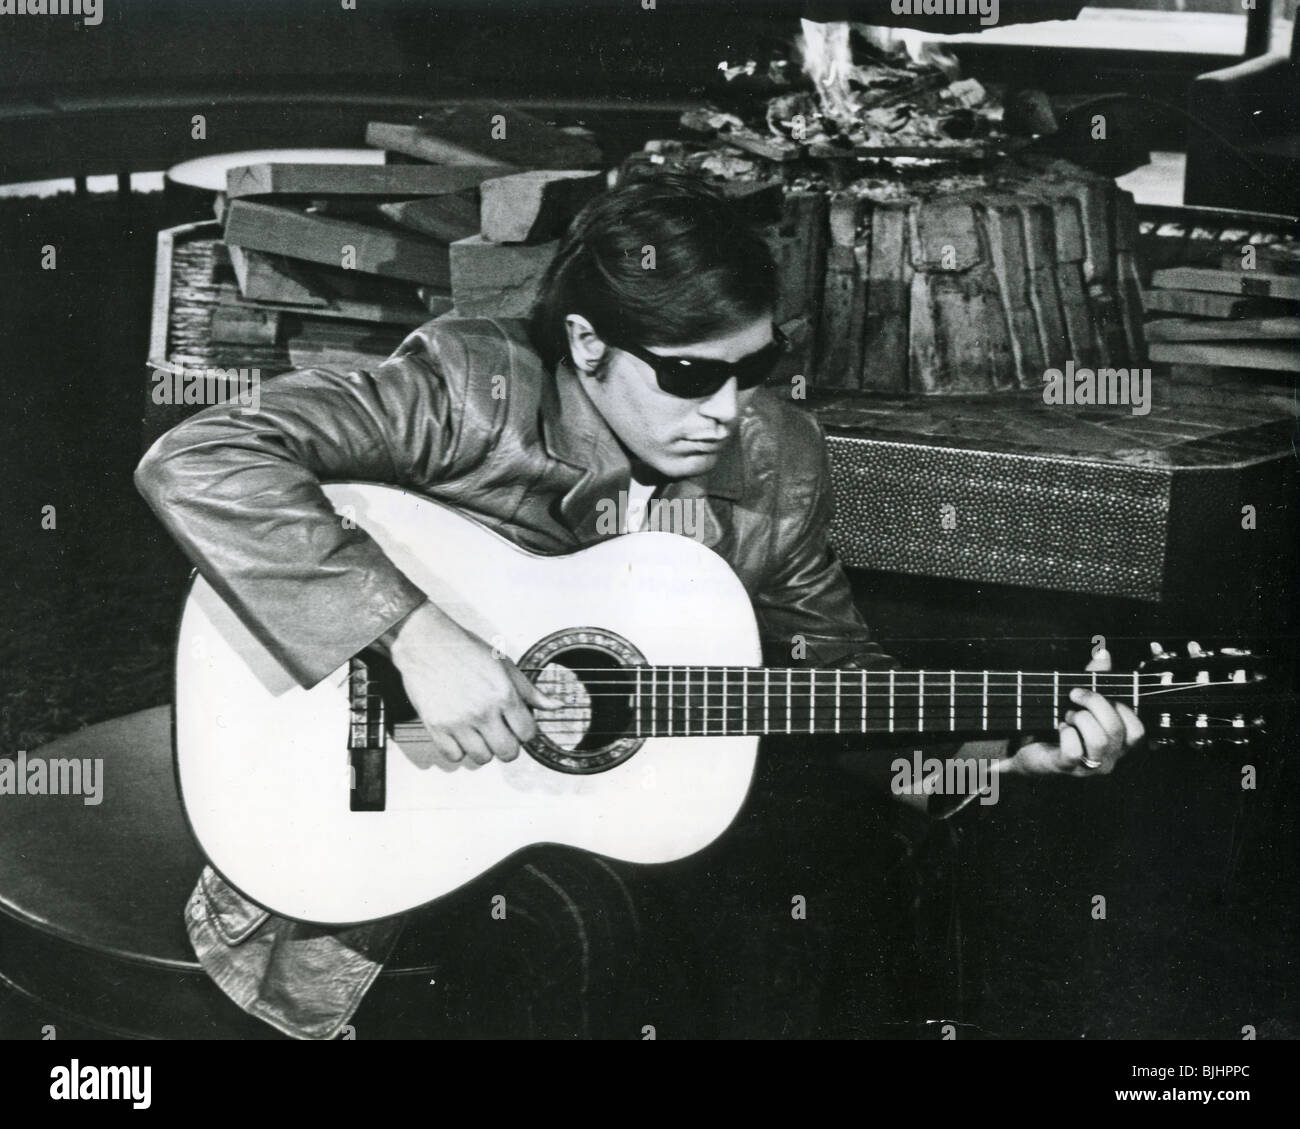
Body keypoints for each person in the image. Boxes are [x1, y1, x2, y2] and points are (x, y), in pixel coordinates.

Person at [135, 173, 1143, 1039]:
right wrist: (415, 632)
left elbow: (839, 683)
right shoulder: (473, 390)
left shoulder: (778, 455)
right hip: (385, 831)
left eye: (752, 368)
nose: (726, 411)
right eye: (691, 375)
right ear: (586, 343)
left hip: (621, 811)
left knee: (834, 869)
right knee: (587, 923)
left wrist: (995, 759)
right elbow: (201, 455)